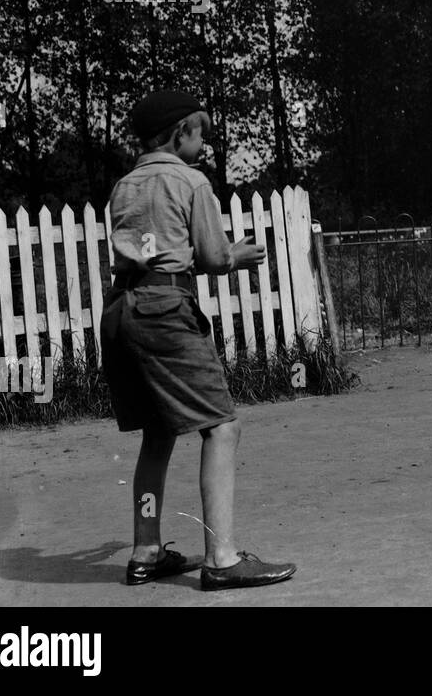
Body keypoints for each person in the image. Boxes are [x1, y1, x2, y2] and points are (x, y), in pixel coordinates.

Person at [101, 89, 296, 590]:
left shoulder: (124, 186)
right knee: (222, 428)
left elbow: (142, 248)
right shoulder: (189, 181)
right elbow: (210, 257)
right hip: (166, 310)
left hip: (123, 311)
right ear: (179, 134)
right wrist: (237, 254)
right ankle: (223, 559)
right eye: (199, 133)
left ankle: (146, 551)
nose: (203, 143)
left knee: (158, 431)